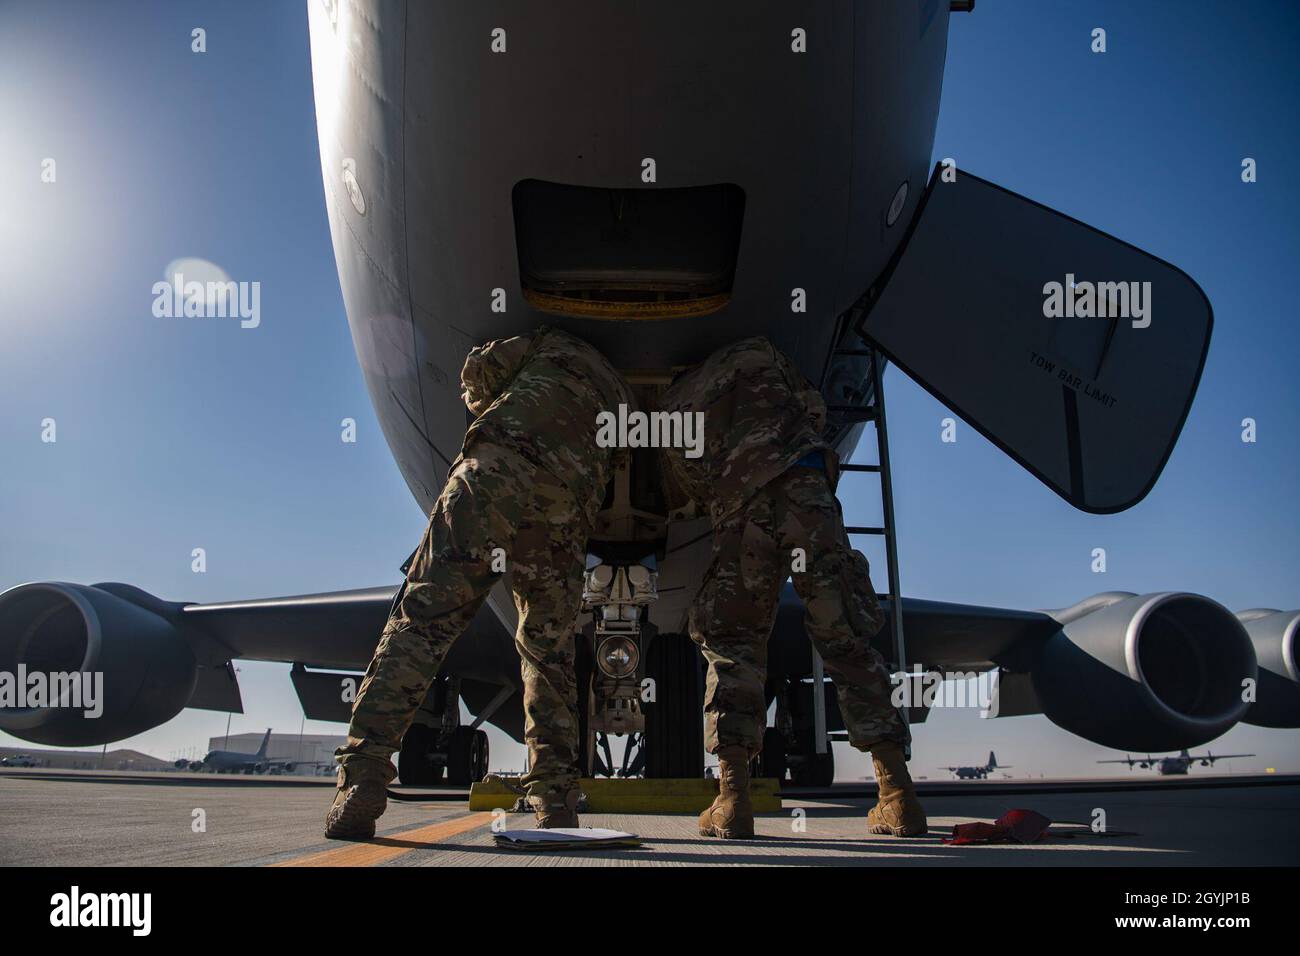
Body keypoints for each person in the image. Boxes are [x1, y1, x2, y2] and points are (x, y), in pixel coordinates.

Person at [326, 326, 633, 839]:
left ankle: (363, 780)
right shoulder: (618, 391)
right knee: (548, 653)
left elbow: (480, 369)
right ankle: (555, 800)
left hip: (493, 472)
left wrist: (482, 401)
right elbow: (619, 458)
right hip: (564, 506)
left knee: (423, 623)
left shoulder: (545, 344)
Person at [659, 336, 925, 839]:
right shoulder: (771, 356)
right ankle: (898, 796)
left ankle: (733, 801)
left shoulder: (683, 394)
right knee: (845, 637)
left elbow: (685, 469)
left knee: (734, 645)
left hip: (744, 509)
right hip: (808, 494)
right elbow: (816, 410)